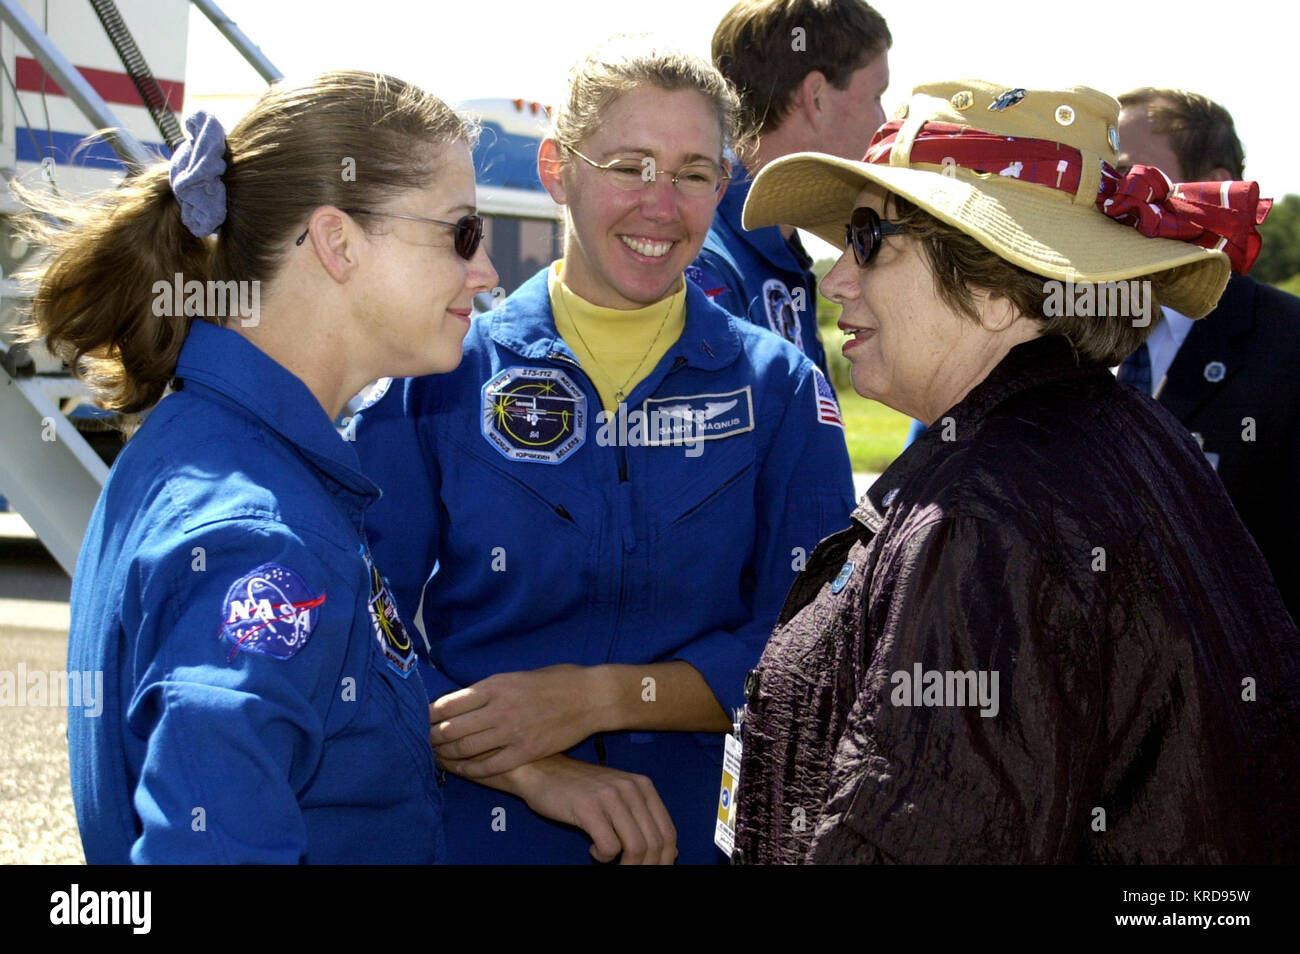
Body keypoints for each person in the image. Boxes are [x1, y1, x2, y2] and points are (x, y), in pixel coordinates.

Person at [731, 79, 1300, 863]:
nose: (836, 280)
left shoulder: (985, 518)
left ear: (998, 288)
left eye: (869, 238)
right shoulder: (1114, 439)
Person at [355, 37, 855, 865]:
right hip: (480, 834)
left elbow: (818, 649)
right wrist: (532, 766)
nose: (662, 205)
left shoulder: (779, 389)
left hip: (693, 839)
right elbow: (357, 635)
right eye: (630, 164)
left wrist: (598, 699)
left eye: (695, 173)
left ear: (722, 186)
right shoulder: (440, 374)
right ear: (558, 169)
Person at [17, 71, 498, 863]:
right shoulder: (260, 536)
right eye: (460, 234)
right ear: (337, 242)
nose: (482, 272)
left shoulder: (207, 446)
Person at [1115, 87, 1300, 625]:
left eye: (1129, 175)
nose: (1106, 198)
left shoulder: (1288, 347)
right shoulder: (1057, 332)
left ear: (1215, 189)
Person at [691, 0, 891, 384]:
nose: (883, 124)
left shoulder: (776, 247)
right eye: (877, 96)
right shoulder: (705, 265)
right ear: (815, 97)